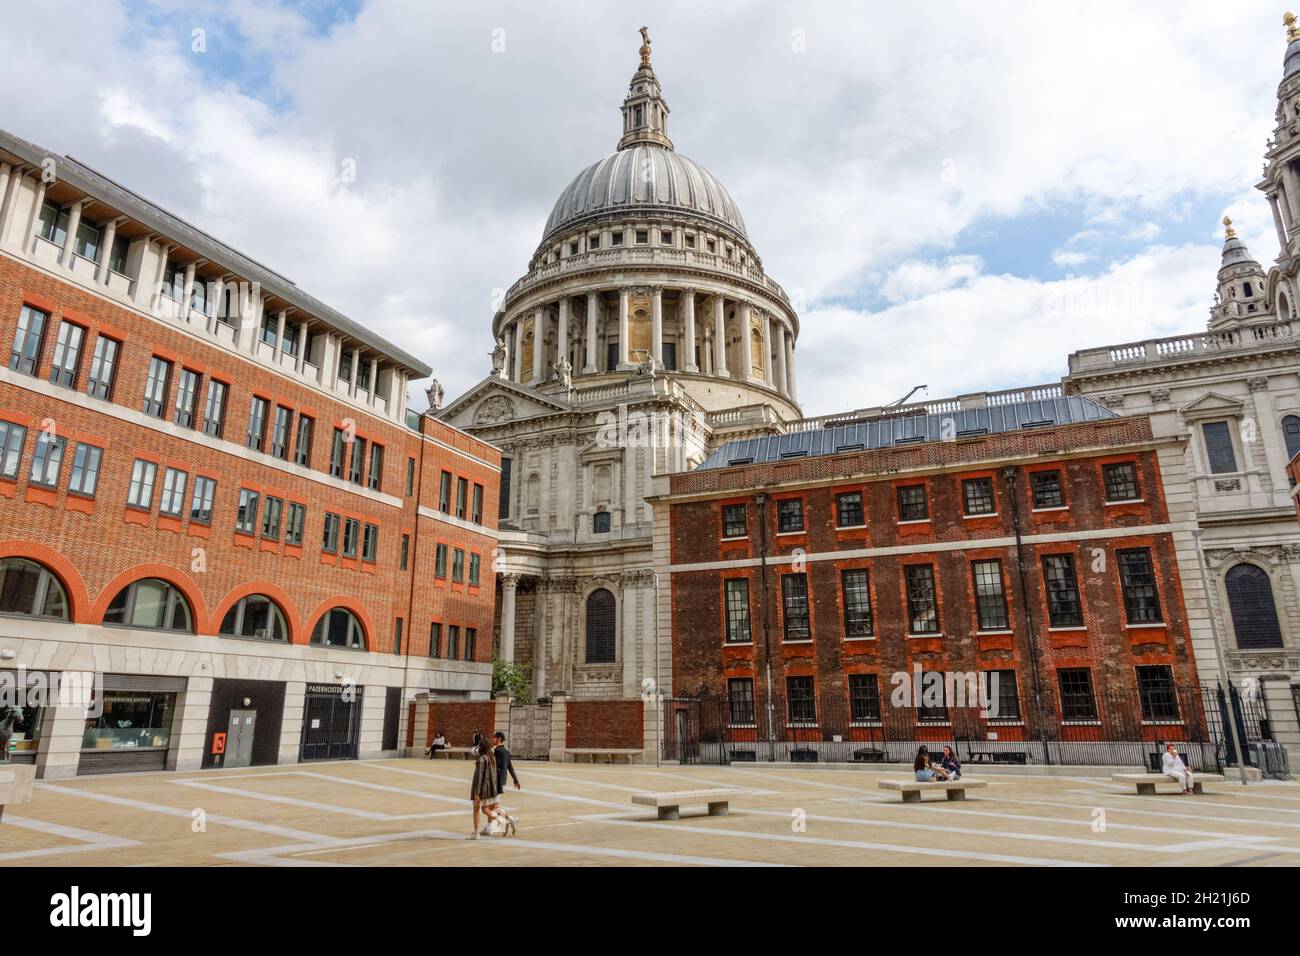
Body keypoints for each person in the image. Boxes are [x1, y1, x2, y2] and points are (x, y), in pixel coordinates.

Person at [468, 738, 510, 839]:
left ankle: (477, 833)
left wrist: (476, 792)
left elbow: (479, 776)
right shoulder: (491, 757)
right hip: (490, 788)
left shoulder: (481, 759)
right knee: (483, 809)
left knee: (477, 809)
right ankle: (501, 820)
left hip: (481, 788)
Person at [490, 731, 521, 835]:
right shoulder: (506, 752)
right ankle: (495, 827)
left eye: (494, 738)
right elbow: (510, 768)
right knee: (493, 806)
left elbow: (494, 768)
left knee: (495, 806)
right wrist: (516, 780)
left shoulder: (497, 751)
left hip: (496, 782)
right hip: (502, 781)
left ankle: (511, 820)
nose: (492, 739)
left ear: (498, 739)